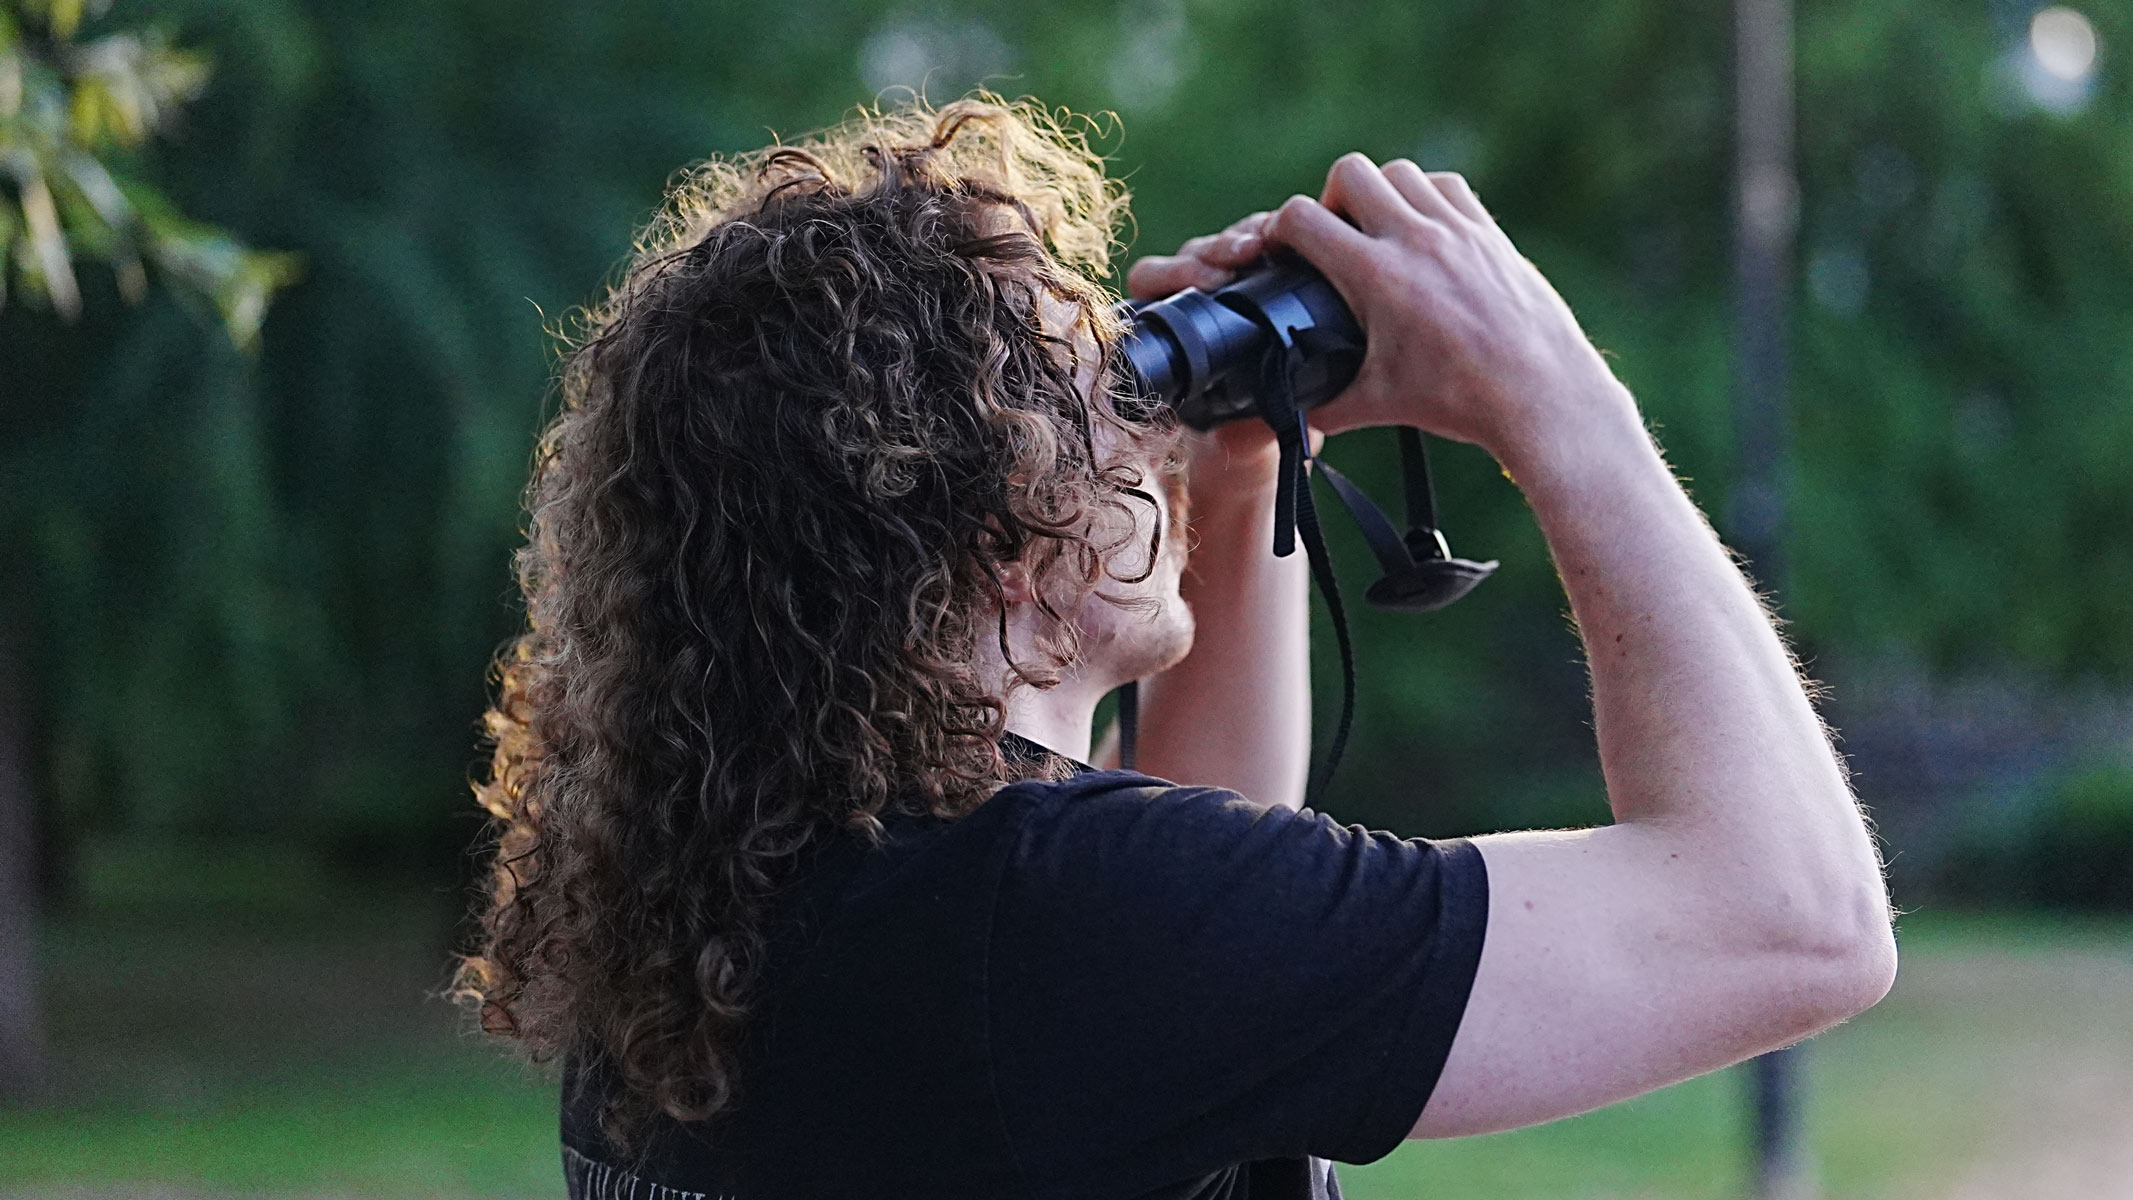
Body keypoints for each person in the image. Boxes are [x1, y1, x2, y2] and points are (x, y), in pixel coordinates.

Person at [454, 92, 1897, 1200]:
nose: (1139, 428)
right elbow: (1792, 921)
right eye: (1094, 394)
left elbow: (1186, 952)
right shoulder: (1043, 920)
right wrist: (1559, 400)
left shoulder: (735, 900)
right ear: (995, 542)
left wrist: (1245, 463)